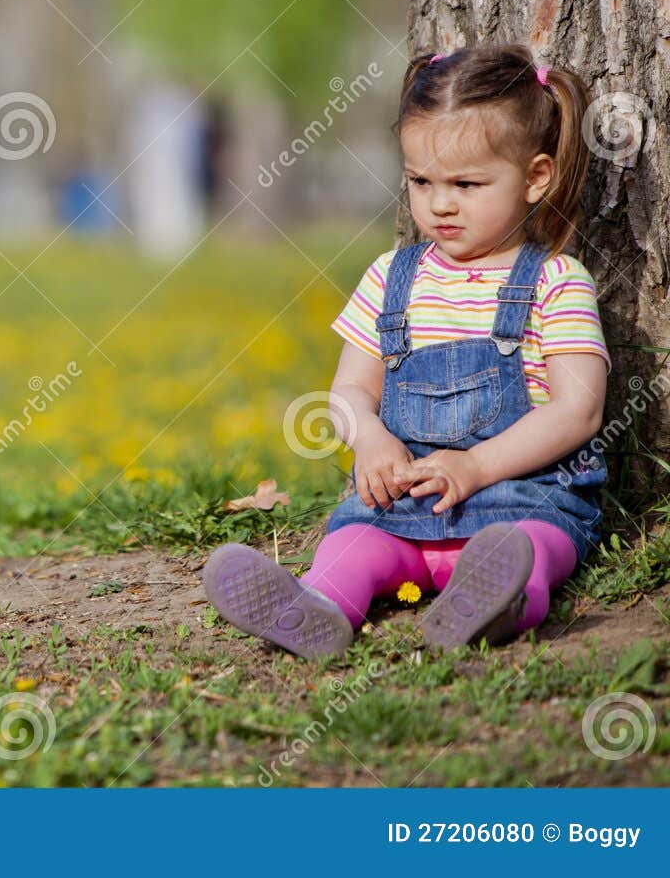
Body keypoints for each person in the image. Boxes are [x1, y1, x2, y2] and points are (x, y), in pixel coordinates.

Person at [203, 44, 609, 657]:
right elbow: (350, 390)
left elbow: (577, 412)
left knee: (526, 547)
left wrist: (475, 467)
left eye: (467, 184)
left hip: (518, 498)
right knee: (354, 543)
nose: (439, 203)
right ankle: (317, 608)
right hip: (403, 511)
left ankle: (499, 602)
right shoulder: (392, 277)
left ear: (535, 178)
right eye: (421, 181)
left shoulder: (558, 281)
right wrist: (368, 436)